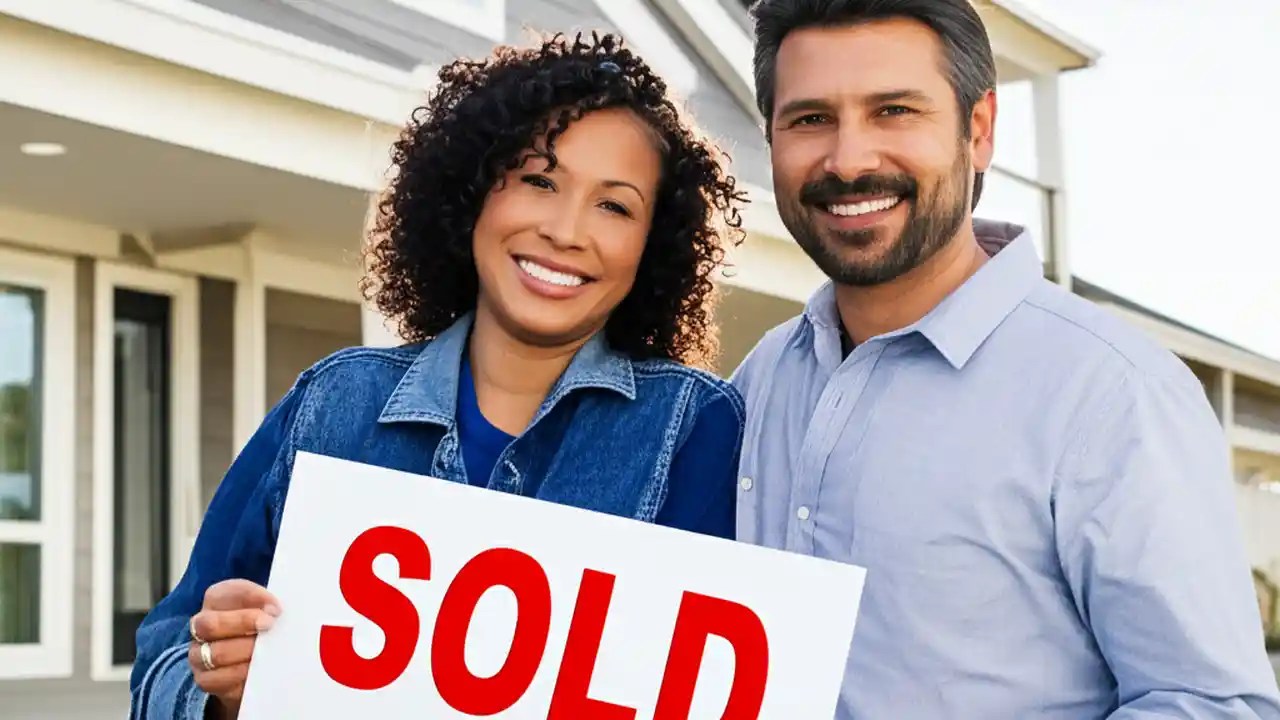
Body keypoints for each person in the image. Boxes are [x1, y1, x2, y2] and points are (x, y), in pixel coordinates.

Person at [128, 32, 747, 720]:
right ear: (473, 195)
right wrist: (220, 691)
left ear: (652, 244)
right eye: (539, 180)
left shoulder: (695, 428)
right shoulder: (337, 403)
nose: (567, 230)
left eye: (615, 205)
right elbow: (166, 651)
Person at [732, 0, 1280, 718]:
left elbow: (1213, 706)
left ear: (979, 129)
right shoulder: (762, 378)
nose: (850, 159)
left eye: (894, 110)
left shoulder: (1113, 395)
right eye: (810, 119)